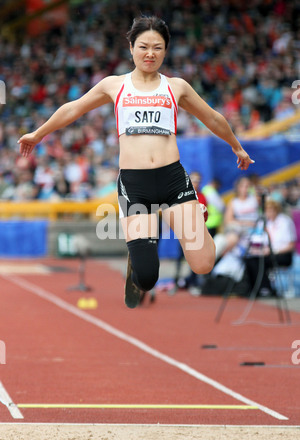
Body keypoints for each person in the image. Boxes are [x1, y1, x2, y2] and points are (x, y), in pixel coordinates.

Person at [18, 16, 254, 308]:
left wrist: (237, 146)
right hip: (135, 184)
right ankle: (140, 254)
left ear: (165, 50)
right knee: (147, 278)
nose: (150, 53)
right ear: (131, 48)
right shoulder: (115, 86)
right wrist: (38, 134)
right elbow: (73, 108)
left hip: (172, 180)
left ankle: (191, 217)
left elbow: (212, 117)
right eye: (143, 46)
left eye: (157, 47)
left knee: (204, 264)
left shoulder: (176, 87)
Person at [244, 198, 297, 297]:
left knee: (260, 261)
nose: (269, 212)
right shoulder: (264, 223)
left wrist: (273, 251)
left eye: (271, 210)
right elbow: (258, 240)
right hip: (266, 253)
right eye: (267, 210)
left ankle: (266, 289)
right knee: (249, 260)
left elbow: (291, 245)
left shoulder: (285, 222)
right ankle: (254, 289)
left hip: (282, 254)